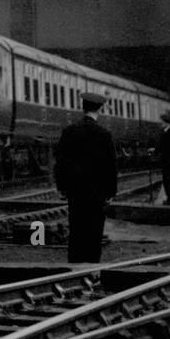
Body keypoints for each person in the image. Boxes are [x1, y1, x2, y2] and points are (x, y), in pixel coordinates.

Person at [54, 92, 118, 262]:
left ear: (83, 108)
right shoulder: (104, 134)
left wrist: (61, 187)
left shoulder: (69, 132)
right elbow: (111, 166)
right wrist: (111, 191)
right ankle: (92, 265)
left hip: (75, 189)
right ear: (100, 110)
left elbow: (60, 162)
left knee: (76, 226)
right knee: (95, 228)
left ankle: (74, 264)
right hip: (97, 191)